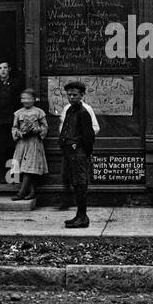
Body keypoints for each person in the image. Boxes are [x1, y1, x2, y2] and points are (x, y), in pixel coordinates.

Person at [58, 81, 95, 228]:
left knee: (80, 184)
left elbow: (89, 136)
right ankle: (78, 215)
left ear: (82, 96)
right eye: (69, 95)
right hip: (69, 153)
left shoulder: (83, 113)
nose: (71, 97)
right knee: (74, 182)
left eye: (75, 95)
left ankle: (83, 217)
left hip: (78, 153)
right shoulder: (70, 110)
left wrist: (84, 151)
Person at [10, 89, 49, 203]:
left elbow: (45, 127)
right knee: (24, 167)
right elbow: (14, 127)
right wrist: (18, 133)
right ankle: (32, 192)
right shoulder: (18, 113)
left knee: (28, 168)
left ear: (34, 99)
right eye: (23, 98)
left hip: (34, 143)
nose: (25, 101)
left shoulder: (39, 112)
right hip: (22, 143)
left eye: (28, 98)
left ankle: (21, 193)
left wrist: (38, 130)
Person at [0, 61, 24, 182]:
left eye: (5, 68)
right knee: (2, 148)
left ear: (9, 69)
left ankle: (15, 176)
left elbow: (19, 104)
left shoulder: (16, 84)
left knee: (13, 147)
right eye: (0, 68)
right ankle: (7, 175)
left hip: (13, 121)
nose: (3, 70)